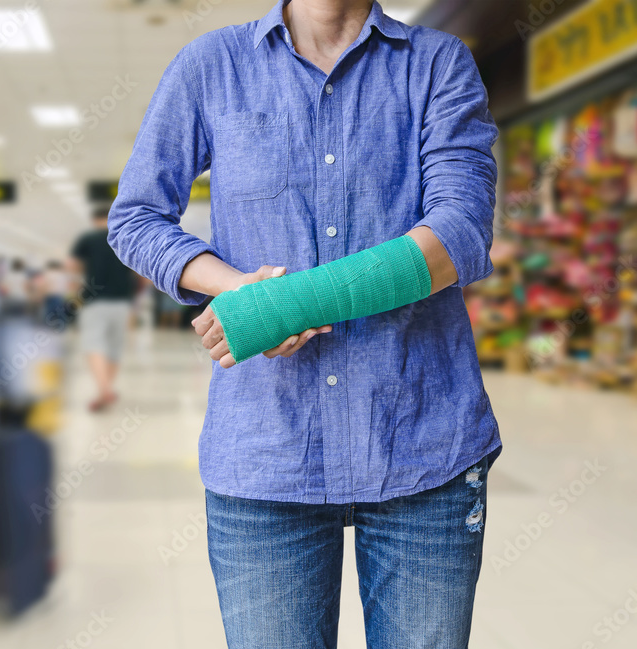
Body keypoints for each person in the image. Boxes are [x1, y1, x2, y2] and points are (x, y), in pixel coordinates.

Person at [109, 1, 502, 647]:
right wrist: (244, 292)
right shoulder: (212, 64)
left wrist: (290, 306)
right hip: (267, 457)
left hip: (423, 442)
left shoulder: (436, 62)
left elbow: (458, 232)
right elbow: (136, 218)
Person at [68, 205, 138, 411]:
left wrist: (75, 290)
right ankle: (107, 388)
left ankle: (104, 389)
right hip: (122, 301)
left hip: (93, 300)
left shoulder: (87, 239)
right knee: (114, 347)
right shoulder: (123, 238)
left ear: (94, 220)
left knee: (94, 344)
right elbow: (138, 271)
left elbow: (72, 266)